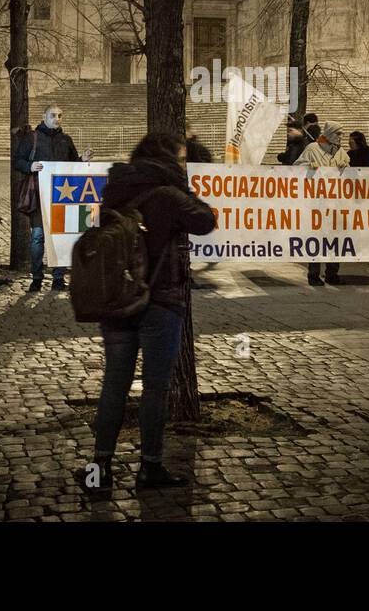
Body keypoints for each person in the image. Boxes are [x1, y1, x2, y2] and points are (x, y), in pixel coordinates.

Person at [80, 132, 215, 491]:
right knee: (155, 388)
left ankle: (101, 466)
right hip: (160, 300)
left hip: (119, 300)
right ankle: (150, 466)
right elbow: (205, 221)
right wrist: (184, 187)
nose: (184, 164)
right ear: (170, 161)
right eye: (181, 159)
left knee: (114, 385)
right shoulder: (169, 194)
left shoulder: (116, 188)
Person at [12, 104, 93, 292]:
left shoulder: (66, 140)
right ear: (44, 117)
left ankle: (58, 278)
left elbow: (74, 165)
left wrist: (83, 159)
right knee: (38, 237)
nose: (57, 118)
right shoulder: (32, 138)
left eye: (60, 115)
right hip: (39, 195)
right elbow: (18, 161)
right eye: (53, 115)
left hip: (62, 197)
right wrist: (30, 167)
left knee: (60, 237)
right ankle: (37, 278)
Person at [297, 121, 350, 286]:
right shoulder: (312, 149)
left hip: (336, 204)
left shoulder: (341, 152)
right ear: (329, 134)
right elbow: (295, 169)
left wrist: (345, 167)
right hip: (317, 203)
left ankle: (332, 273)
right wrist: (309, 167)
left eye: (342, 134)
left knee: (335, 239)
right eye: (338, 133)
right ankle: (313, 275)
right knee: (317, 239)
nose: (341, 137)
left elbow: (351, 173)